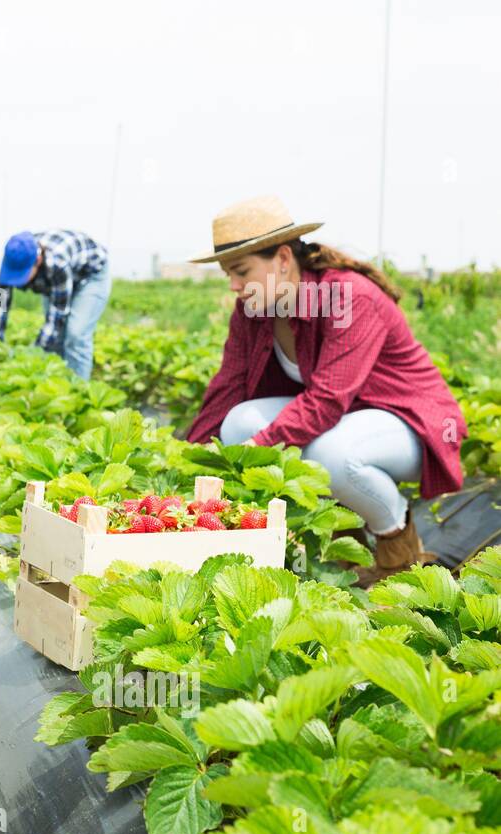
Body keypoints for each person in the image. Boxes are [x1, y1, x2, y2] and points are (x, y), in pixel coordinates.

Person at [185, 196, 466, 585]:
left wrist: (257, 448)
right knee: (236, 425)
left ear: (282, 259)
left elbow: (326, 403)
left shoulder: (348, 298)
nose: (234, 286)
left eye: (241, 271)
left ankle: (399, 551)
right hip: (347, 419)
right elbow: (227, 387)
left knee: (330, 453)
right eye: (227, 275)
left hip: (410, 423)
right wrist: (193, 459)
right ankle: (344, 553)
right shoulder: (253, 310)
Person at [0, 228, 112, 379]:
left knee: (76, 334)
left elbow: (56, 319)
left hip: (90, 276)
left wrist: (33, 354)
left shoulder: (56, 262)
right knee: (56, 340)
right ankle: (57, 384)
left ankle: (78, 389)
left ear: (38, 261)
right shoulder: (13, 259)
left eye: (23, 274)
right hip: (54, 279)